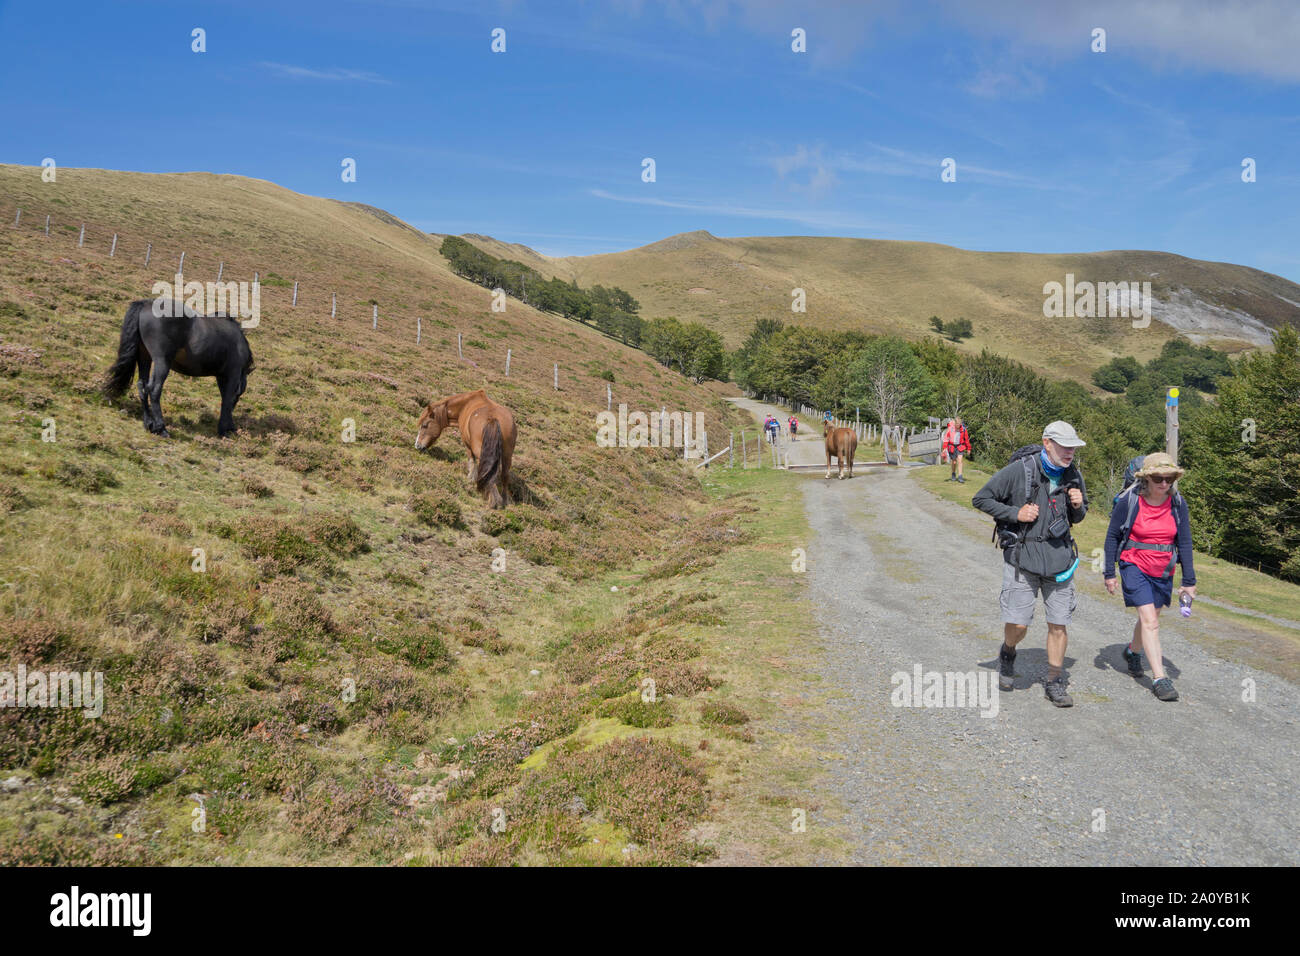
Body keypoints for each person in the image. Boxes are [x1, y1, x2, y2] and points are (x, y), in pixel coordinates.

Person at [972, 421, 1088, 707]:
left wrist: (1078, 505)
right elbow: (981, 498)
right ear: (1047, 442)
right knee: (1019, 625)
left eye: (1073, 447)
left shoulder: (1073, 475)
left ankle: (1054, 680)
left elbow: (1078, 519)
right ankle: (1009, 651)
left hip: (1060, 561)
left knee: (1058, 624)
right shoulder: (1020, 470)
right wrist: (1016, 513)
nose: (1070, 452)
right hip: (1022, 560)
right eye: (1064, 445)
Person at [1102, 453, 1196, 702]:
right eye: (1158, 478)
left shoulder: (1178, 504)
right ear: (1146, 479)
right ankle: (1159, 678)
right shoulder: (1129, 501)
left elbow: (1184, 542)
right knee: (1151, 622)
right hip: (1133, 564)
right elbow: (1112, 536)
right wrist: (1109, 572)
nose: (1164, 484)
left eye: (1169, 479)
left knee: (1151, 618)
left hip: (1164, 569)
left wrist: (1189, 581)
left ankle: (1133, 651)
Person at [943, 417, 972, 483]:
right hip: (952, 446)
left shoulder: (963, 429)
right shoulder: (950, 429)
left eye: (959, 425)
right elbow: (946, 438)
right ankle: (953, 474)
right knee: (954, 462)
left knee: (960, 460)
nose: (958, 426)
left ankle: (960, 476)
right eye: (957, 425)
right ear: (955, 424)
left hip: (960, 446)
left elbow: (966, 440)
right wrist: (944, 448)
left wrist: (968, 448)